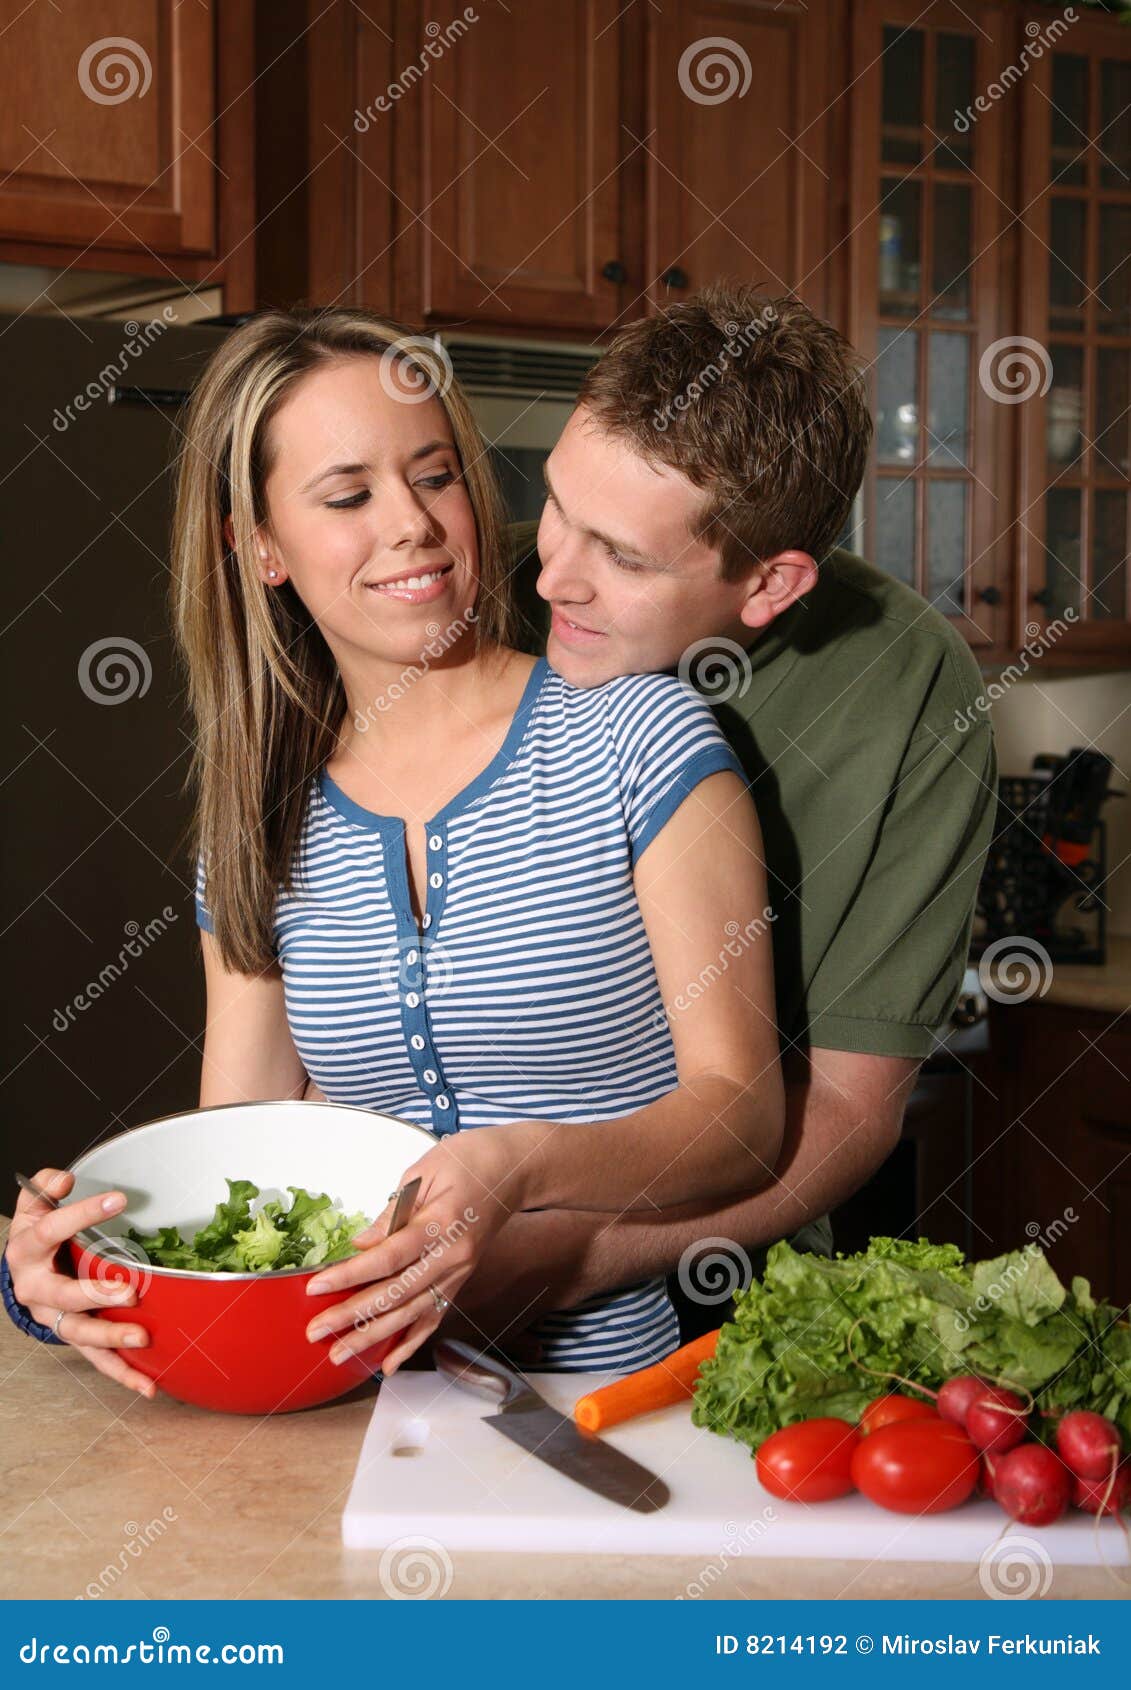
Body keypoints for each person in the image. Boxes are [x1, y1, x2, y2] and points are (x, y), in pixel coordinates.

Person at [2, 306, 785, 1396]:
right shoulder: (260, 824)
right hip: (355, 1414)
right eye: (348, 495)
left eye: (434, 475)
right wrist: (64, 1265)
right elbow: (242, 1171)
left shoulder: (640, 740)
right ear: (259, 545)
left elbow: (742, 1115)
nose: (412, 524)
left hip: (629, 1399)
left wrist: (519, 1164)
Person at [395, 282, 999, 1359]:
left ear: (769, 585)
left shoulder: (909, 686)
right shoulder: (473, 584)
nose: (551, 577)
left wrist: (583, 1257)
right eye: (556, 509)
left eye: (623, 558)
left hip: (711, 1310)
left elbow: (854, 1108)